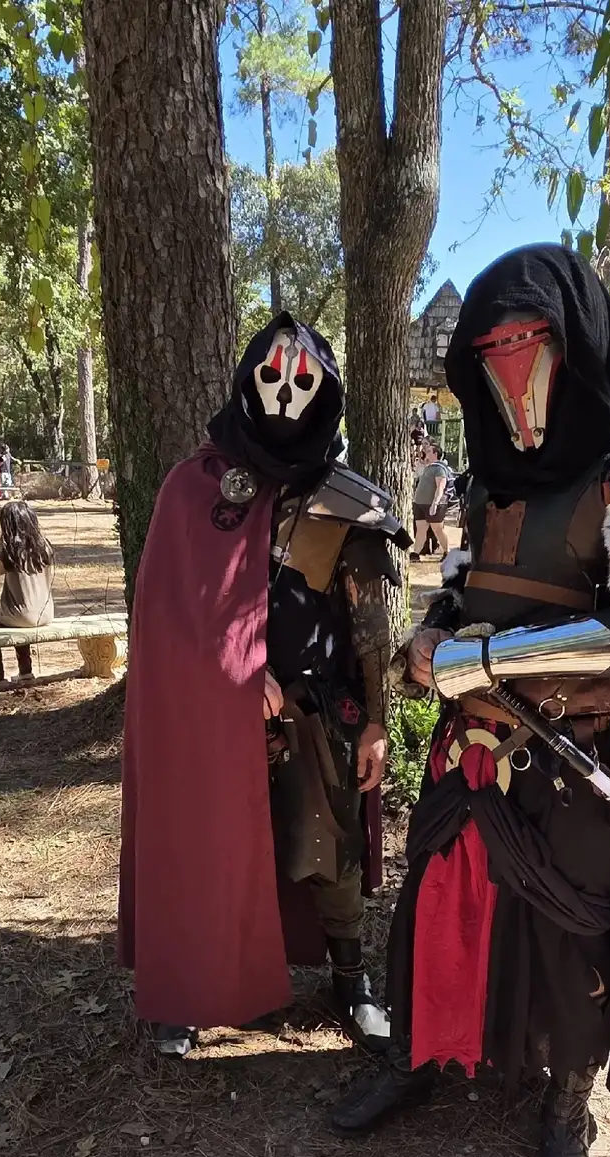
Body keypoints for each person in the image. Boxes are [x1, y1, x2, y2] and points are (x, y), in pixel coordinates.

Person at [328, 245, 610, 1157]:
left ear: (576, 340)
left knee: (565, 936)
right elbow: (472, 584)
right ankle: (420, 1051)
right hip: (471, 745)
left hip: (577, 751)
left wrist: (485, 666)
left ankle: (566, 1114)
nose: (511, 369)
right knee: (436, 903)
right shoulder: (493, 474)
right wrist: (434, 634)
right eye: (493, 348)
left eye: (530, 342)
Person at [120, 313, 409, 1058]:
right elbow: (166, 619)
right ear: (247, 378)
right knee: (201, 840)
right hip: (213, 717)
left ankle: (352, 980)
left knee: (330, 847)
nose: (284, 392)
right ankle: (186, 986)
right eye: (272, 376)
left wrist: (377, 721)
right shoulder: (196, 487)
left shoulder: (348, 503)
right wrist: (233, 674)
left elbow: (370, 622)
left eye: (303, 381)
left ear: (328, 392)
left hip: (318, 707)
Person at [0, 500, 54, 681]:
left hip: (20, 614)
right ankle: (25, 670)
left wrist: (3, 547)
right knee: (19, 618)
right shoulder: (45, 546)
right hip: (46, 612)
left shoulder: (9, 550)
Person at [410, 438, 451, 562]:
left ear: (435, 454)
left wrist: (435, 504)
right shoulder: (428, 467)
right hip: (420, 504)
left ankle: (446, 552)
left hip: (432, 505)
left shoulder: (439, 469)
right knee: (421, 529)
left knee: (437, 530)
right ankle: (416, 554)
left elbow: (440, 487)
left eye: (428, 451)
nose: (425, 452)